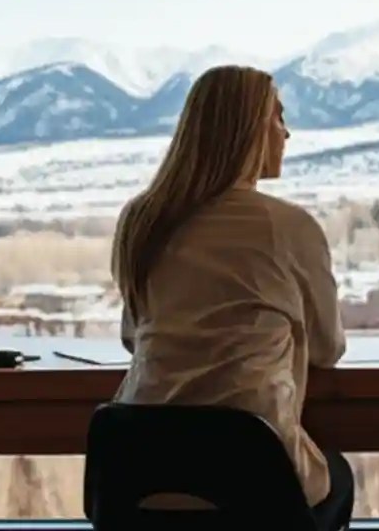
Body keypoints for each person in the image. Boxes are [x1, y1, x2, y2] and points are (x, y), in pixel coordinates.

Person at [111, 65, 353, 530]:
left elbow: (132, 336)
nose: (288, 132)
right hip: (256, 482)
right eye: (278, 117)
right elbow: (328, 349)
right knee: (337, 476)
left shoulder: (142, 219)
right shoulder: (288, 227)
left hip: (139, 478)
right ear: (249, 130)